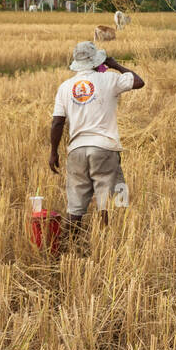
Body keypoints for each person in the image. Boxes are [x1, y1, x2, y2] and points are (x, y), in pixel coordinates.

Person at [50, 40, 146, 236]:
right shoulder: (109, 79)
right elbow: (138, 81)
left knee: (75, 207)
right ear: (97, 61)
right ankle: (107, 244)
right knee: (109, 203)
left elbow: (57, 123)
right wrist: (115, 65)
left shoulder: (65, 87)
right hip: (104, 149)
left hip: (76, 150)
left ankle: (63, 247)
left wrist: (53, 152)